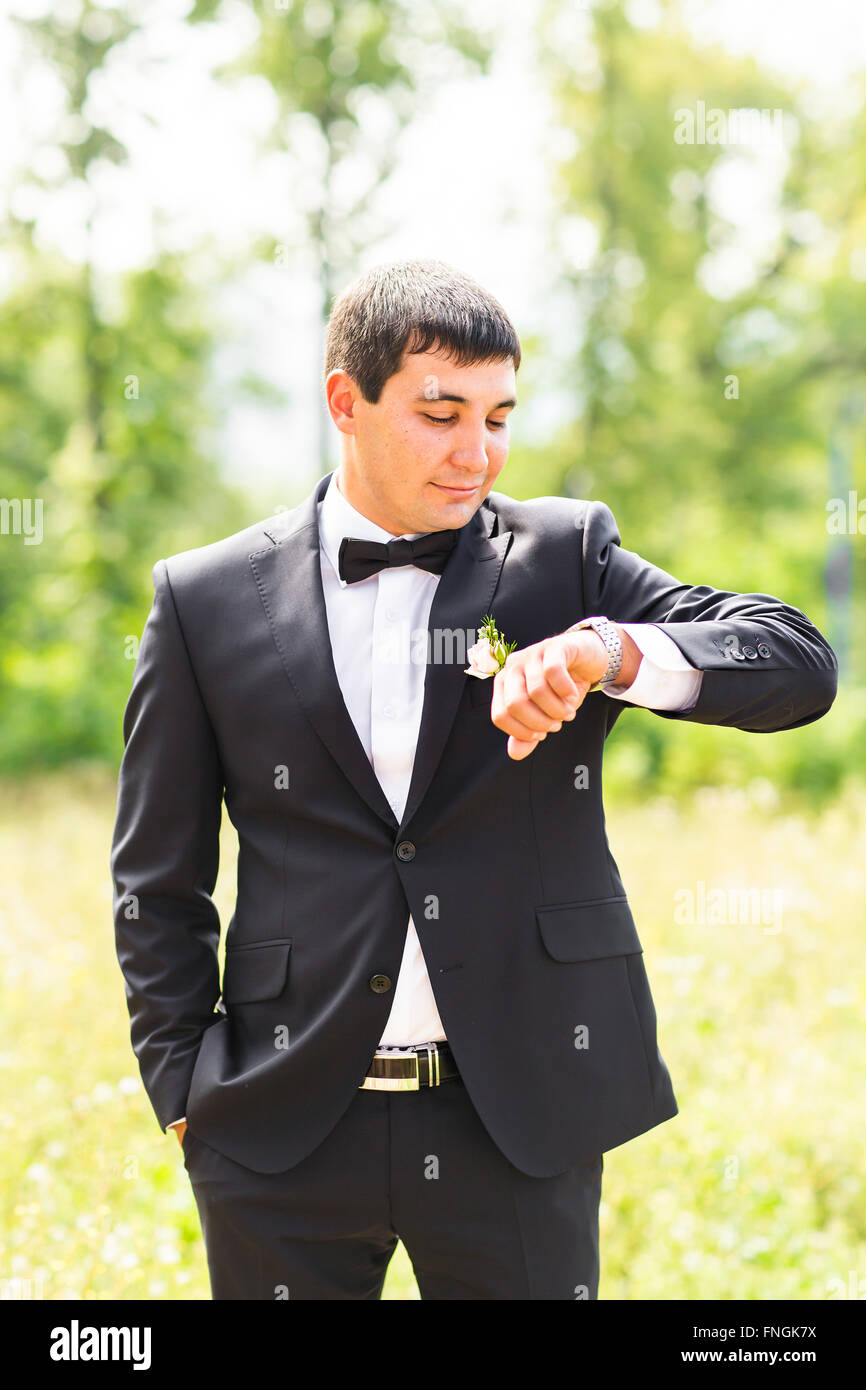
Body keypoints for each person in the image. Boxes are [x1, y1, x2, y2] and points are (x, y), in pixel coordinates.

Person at [110, 258, 837, 1300]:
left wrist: (607, 654)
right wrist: (183, 1089)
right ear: (343, 403)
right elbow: (157, 877)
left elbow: (794, 661)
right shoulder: (204, 599)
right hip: (277, 1127)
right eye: (441, 413)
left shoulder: (565, 557)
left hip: (517, 1119)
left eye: (498, 417)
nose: (476, 453)